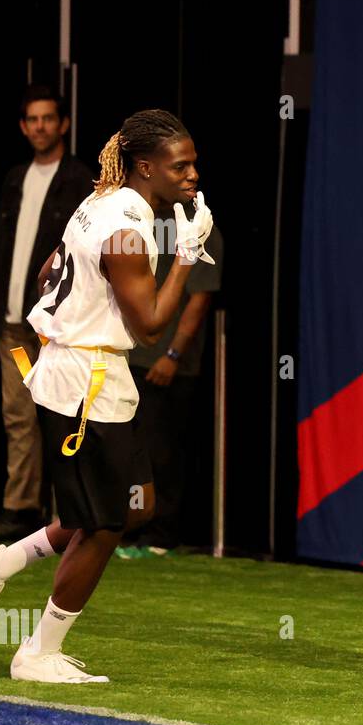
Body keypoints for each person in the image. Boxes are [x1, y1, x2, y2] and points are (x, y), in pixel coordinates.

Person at [0, 109, 215, 683]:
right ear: (146, 166)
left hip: (93, 375)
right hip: (85, 383)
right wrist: (188, 257)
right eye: (181, 165)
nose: (193, 174)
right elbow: (150, 325)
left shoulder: (102, 199)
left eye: (194, 162)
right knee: (103, 525)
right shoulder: (127, 225)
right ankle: (38, 654)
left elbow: (52, 267)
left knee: (126, 506)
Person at [0, 85, 95, 542]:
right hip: (13, 321)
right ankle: (20, 507)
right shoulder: (14, 178)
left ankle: (74, 512)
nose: (41, 127)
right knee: (18, 415)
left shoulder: (80, 179)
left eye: (49, 118)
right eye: (32, 119)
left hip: (58, 325)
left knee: (66, 416)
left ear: (63, 124)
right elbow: (4, 246)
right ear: (24, 126)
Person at [118, 207, 222, 557]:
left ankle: (161, 535)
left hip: (168, 362)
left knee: (162, 452)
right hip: (128, 356)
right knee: (129, 451)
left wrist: (173, 355)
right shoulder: (137, 221)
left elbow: (200, 297)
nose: (185, 178)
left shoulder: (201, 228)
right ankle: (126, 530)